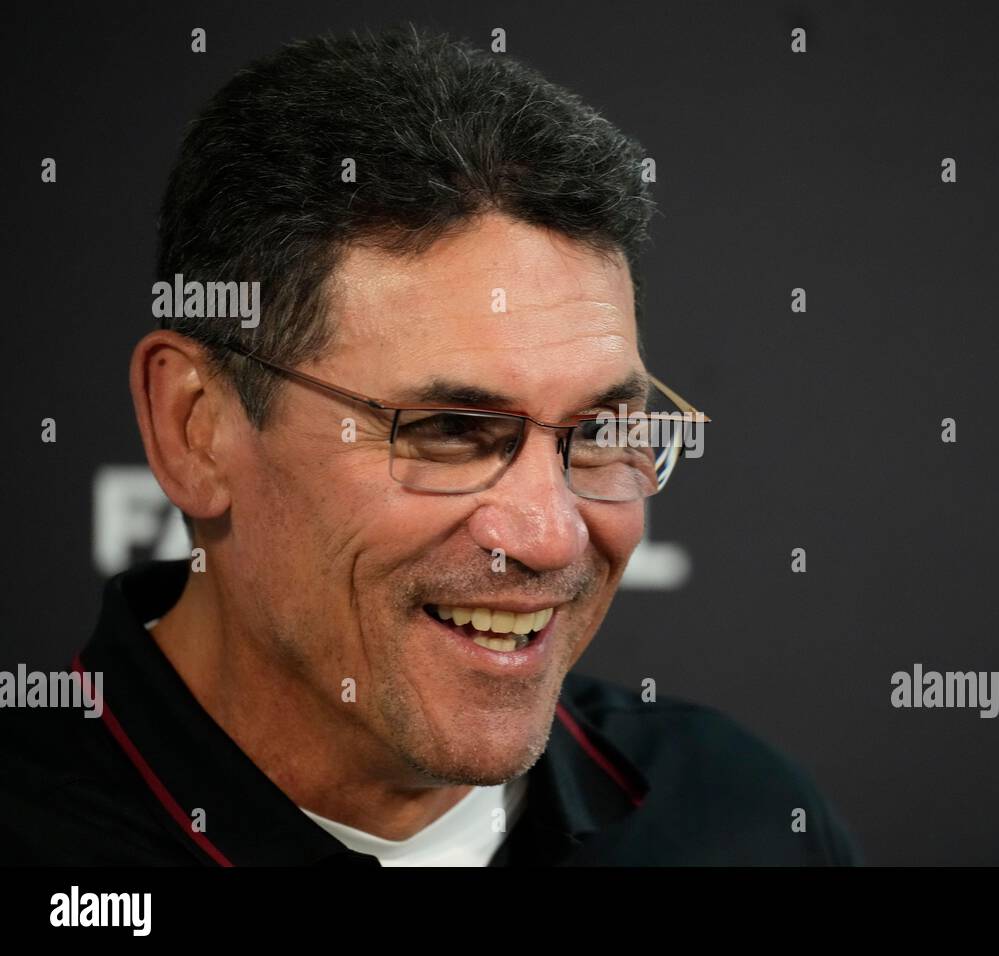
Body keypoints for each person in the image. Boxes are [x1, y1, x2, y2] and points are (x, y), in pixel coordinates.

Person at [0, 27, 861, 866]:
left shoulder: (740, 815)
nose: (551, 536)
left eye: (600, 432)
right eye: (451, 431)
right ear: (196, 430)